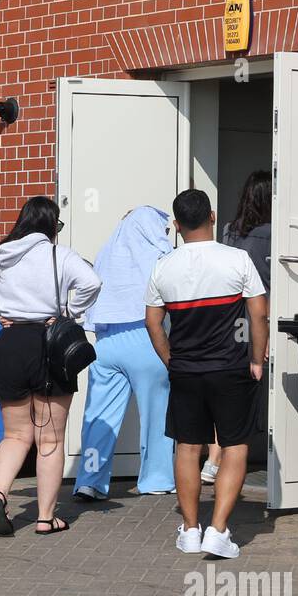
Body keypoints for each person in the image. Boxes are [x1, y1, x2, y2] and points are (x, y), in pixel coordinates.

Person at [0, 195, 101, 536]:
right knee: (50, 440)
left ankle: (0, 493)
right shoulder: (59, 255)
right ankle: (46, 518)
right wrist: (69, 311)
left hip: (11, 342)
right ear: (51, 225)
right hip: (50, 343)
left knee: (16, 435)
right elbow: (92, 283)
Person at [144, 189, 268, 559]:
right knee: (234, 445)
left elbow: (153, 322)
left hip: (185, 369)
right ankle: (218, 530)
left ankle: (190, 529)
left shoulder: (163, 266)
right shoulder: (237, 259)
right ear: (212, 216)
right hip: (230, 368)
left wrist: (170, 359)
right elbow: (258, 314)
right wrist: (257, 359)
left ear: (177, 225)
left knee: (187, 446)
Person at [73, 206, 176, 501]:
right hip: (147, 340)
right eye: (163, 228)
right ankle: (156, 479)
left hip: (106, 342)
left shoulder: (109, 251)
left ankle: (89, 480)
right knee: (156, 415)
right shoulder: (160, 256)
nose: (166, 233)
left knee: (98, 417)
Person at [205, 171, 273, 484]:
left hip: (230, 323)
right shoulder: (274, 234)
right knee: (258, 394)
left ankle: (214, 459)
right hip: (262, 319)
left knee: (227, 394)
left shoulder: (229, 231)